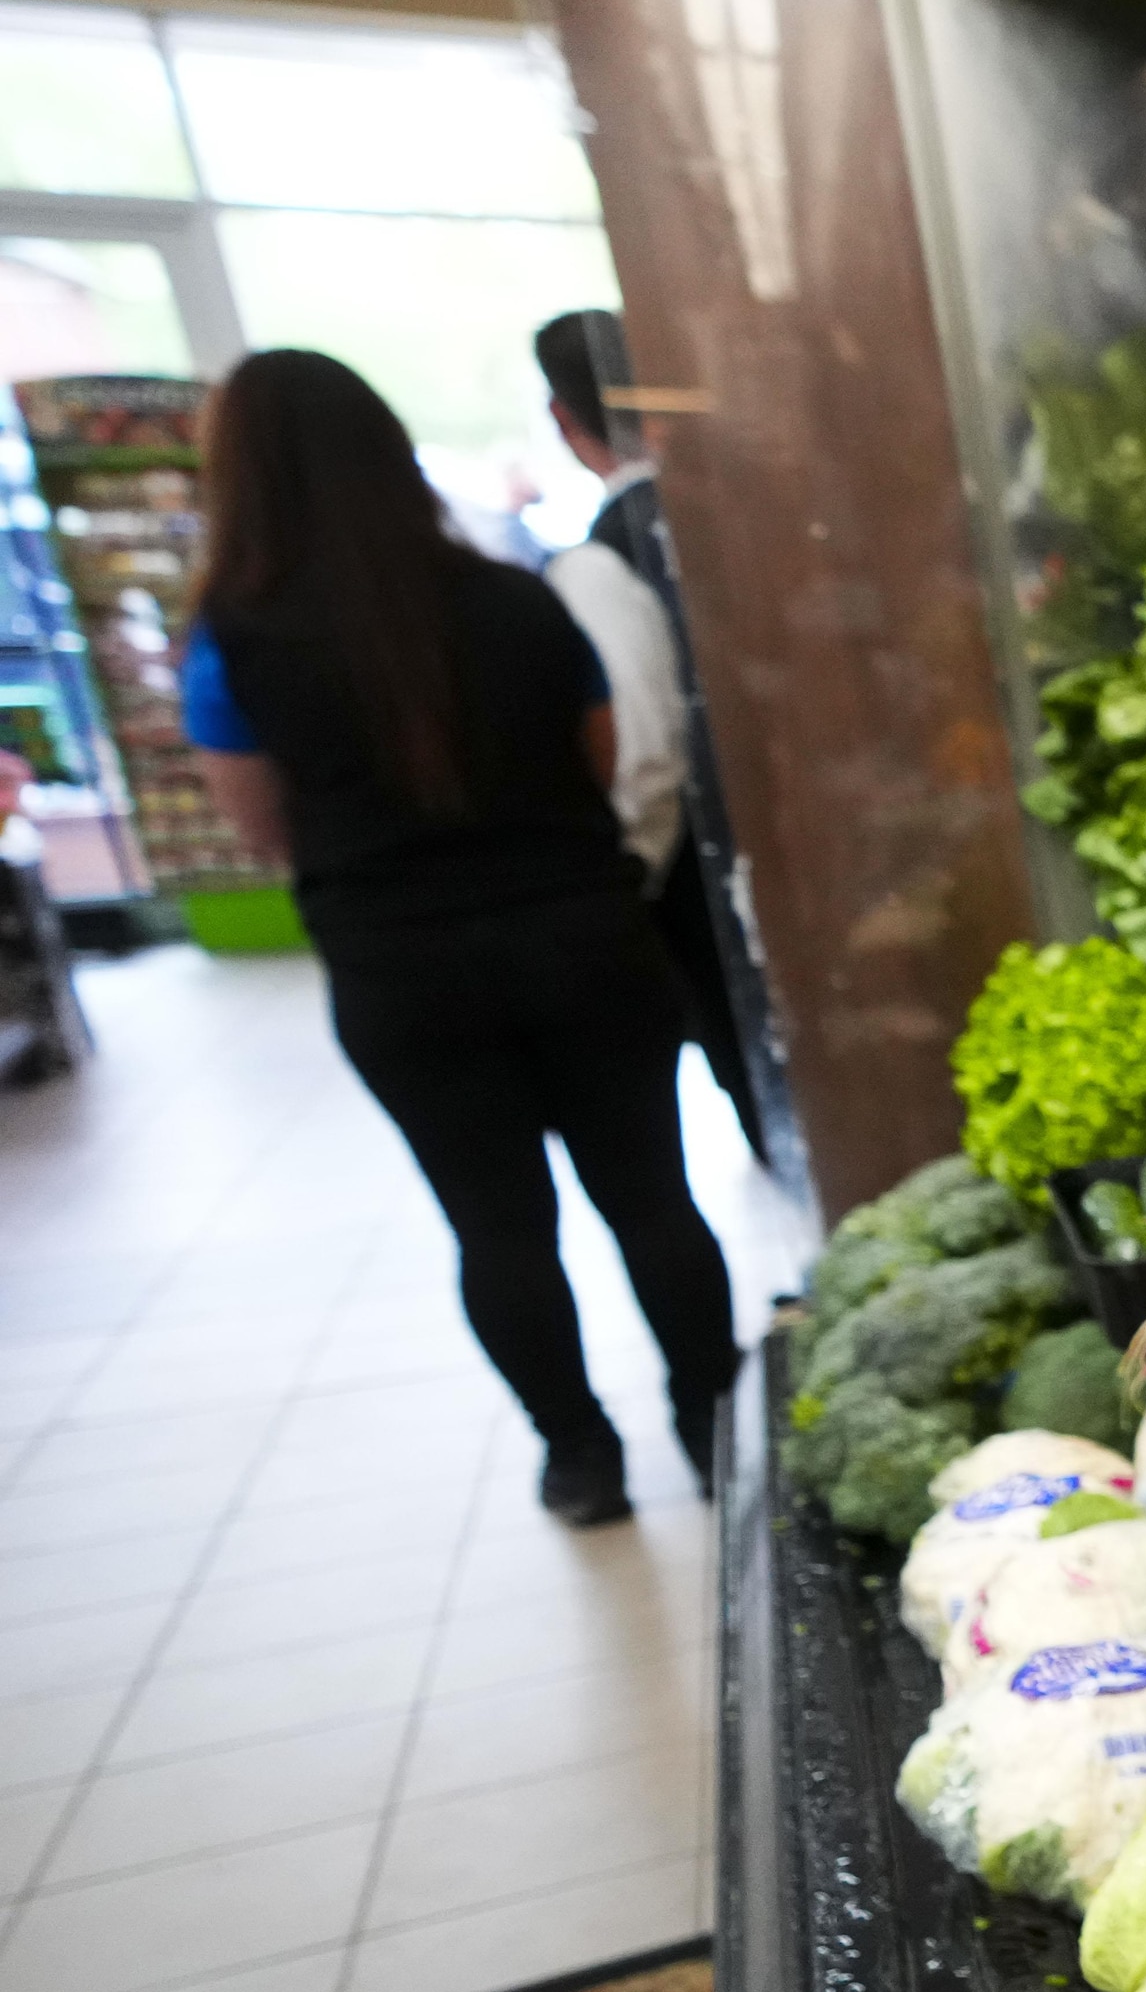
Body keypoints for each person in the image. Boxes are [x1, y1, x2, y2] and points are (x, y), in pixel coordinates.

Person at [182, 349, 735, 1526]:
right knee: (652, 1196)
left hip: (401, 970)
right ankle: (715, 1428)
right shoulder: (520, 599)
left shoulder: (233, 640)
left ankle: (579, 1458)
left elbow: (259, 820)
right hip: (583, 937)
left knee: (494, 1223)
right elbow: (604, 754)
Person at [535, 310, 762, 1153]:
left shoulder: (599, 561)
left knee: (757, 1064)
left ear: (565, 419)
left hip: (702, 880)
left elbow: (647, 760)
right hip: (787, 849)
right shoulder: (743, 516)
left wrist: (630, 879)